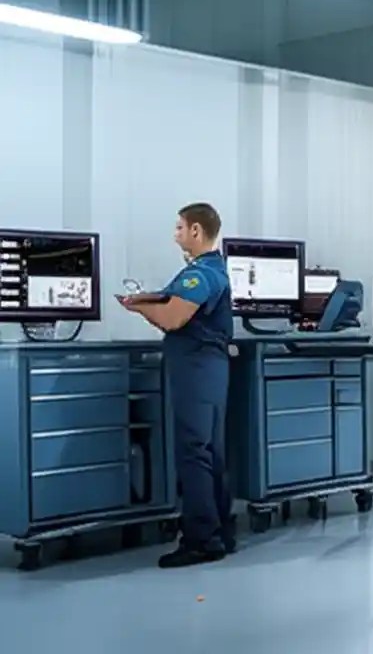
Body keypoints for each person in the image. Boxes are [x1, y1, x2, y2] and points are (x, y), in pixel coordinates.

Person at [117, 202, 235, 568]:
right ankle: (219, 532)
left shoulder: (201, 275)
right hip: (210, 369)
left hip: (196, 368)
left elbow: (172, 317)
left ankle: (201, 540)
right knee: (210, 451)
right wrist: (151, 299)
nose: (176, 234)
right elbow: (170, 299)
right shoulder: (210, 270)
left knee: (193, 451)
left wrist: (136, 307)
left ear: (197, 231)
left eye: (180, 228)